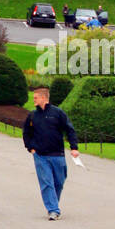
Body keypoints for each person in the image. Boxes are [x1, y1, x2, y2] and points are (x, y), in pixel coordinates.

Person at [22, 87, 80, 220]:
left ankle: (53, 203)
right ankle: (53, 209)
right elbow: (26, 133)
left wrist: (74, 147)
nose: (34, 99)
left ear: (44, 98)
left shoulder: (58, 113)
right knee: (47, 182)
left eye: (36, 97)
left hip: (57, 154)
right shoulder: (32, 115)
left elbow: (70, 130)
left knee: (59, 182)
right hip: (40, 155)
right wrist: (30, 148)